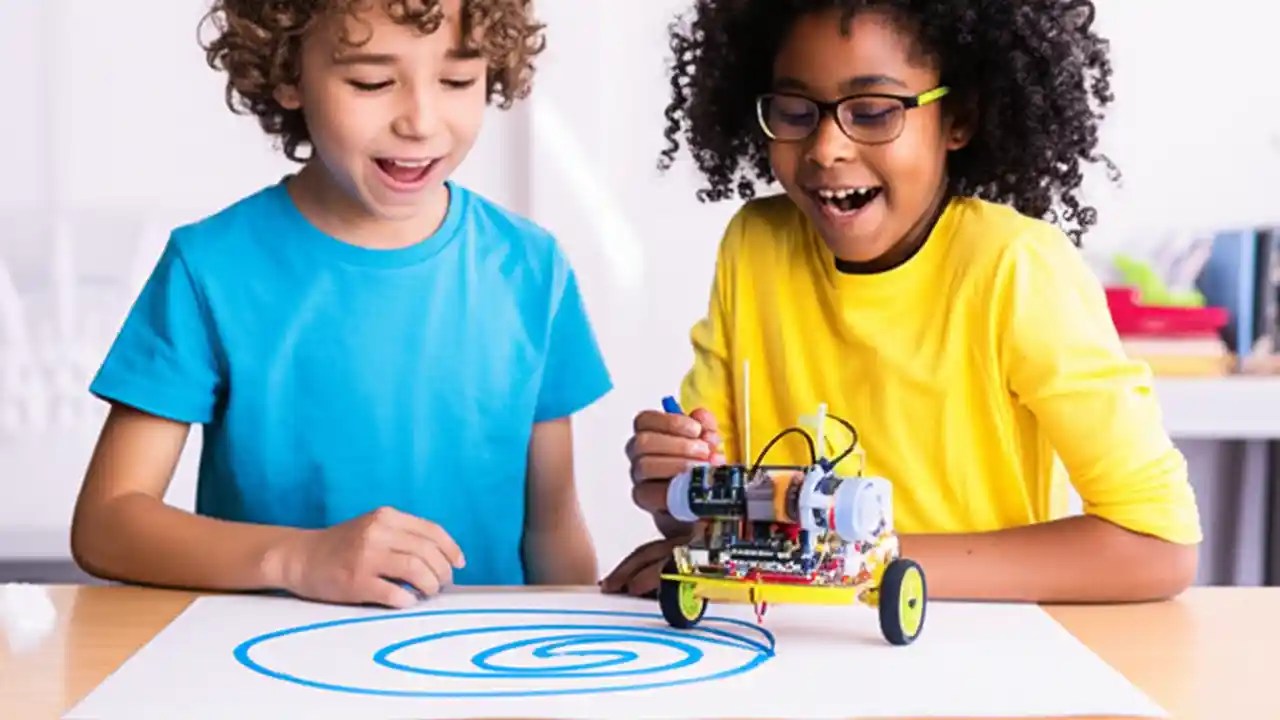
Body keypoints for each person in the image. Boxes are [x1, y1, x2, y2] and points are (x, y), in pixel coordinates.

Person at [602, 0, 1202, 602]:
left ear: (959, 117)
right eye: (794, 110)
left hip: (978, 662)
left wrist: (863, 560)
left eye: (871, 112)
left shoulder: (1015, 268)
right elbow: (718, 519)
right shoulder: (755, 246)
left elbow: (1157, 545)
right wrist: (676, 487)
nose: (826, 148)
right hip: (790, 662)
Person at [70, 0, 611, 609]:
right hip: (262, 676)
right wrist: (298, 558)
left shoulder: (532, 269)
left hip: (477, 679)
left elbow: (553, 532)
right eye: (372, 82)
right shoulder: (210, 267)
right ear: (288, 73)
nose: (421, 120)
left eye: (458, 79)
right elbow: (107, 524)